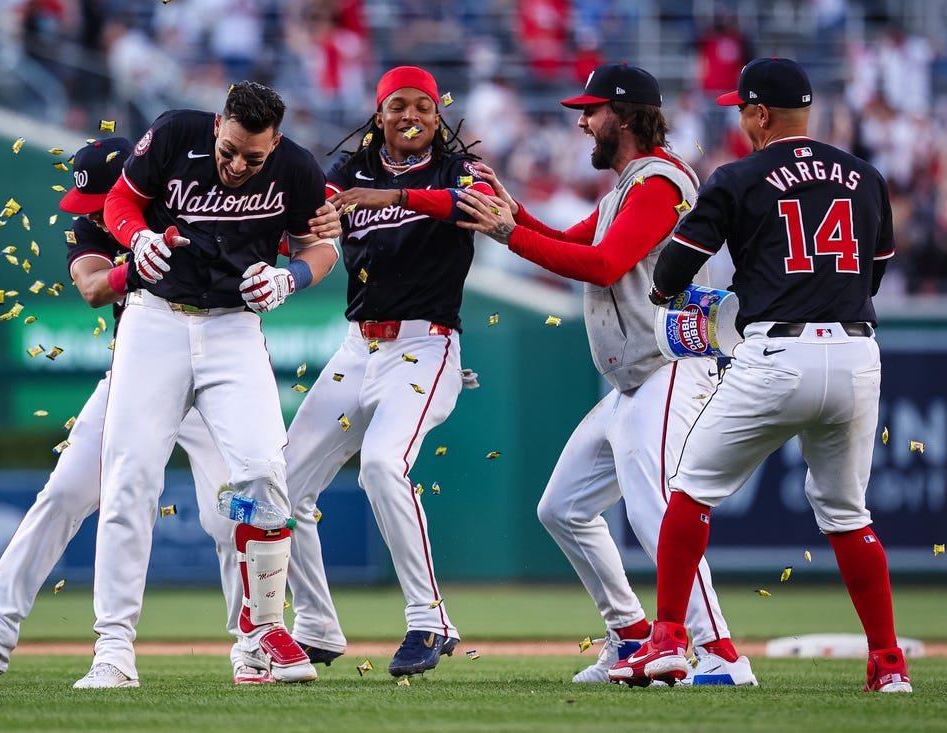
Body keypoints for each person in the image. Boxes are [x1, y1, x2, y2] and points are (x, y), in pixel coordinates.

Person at [609, 57, 912, 693]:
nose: (741, 120)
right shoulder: (866, 176)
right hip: (858, 354)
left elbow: (670, 274)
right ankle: (888, 666)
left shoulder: (741, 175)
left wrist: (688, 303)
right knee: (849, 516)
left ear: (761, 113)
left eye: (743, 109)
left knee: (688, 493)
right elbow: (873, 275)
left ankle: (666, 641)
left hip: (776, 354)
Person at [454, 62, 756, 686]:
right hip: (635, 378)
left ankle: (720, 652)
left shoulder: (660, 182)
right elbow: (565, 242)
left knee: (654, 507)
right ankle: (629, 635)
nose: (584, 121)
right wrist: (511, 211)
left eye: (592, 110)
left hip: (673, 368)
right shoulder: (627, 186)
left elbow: (603, 264)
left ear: (625, 115)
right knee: (561, 508)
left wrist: (510, 233)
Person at [0, 138, 265, 686]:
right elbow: (91, 286)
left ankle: (252, 646)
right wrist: (135, 265)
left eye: (102, 199)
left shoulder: (191, 197)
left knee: (231, 511)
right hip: (139, 376)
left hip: (214, 375)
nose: (93, 215)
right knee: (64, 493)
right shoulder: (98, 222)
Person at [73, 82, 341, 689]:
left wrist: (291, 277)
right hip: (155, 320)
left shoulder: (295, 165)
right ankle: (113, 649)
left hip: (233, 329)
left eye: (254, 157)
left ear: (276, 142)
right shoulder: (173, 133)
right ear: (217, 123)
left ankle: (259, 635)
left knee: (263, 475)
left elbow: (320, 246)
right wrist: (136, 238)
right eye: (230, 151)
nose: (238, 166)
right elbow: (120, 203)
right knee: (130, 479)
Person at [284, 65, 493, 677]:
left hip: (426, 347)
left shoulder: (457, 169)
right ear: (379, 114)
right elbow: (308, 228)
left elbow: (475, 204)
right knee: (281, 485)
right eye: (397, 105)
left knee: (381, 464)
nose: (411, 116)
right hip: (358, 348)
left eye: (423, 107)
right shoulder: (346, 174)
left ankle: (429, 621)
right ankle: (316, 625)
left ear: (438, 116)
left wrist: (394, 196)